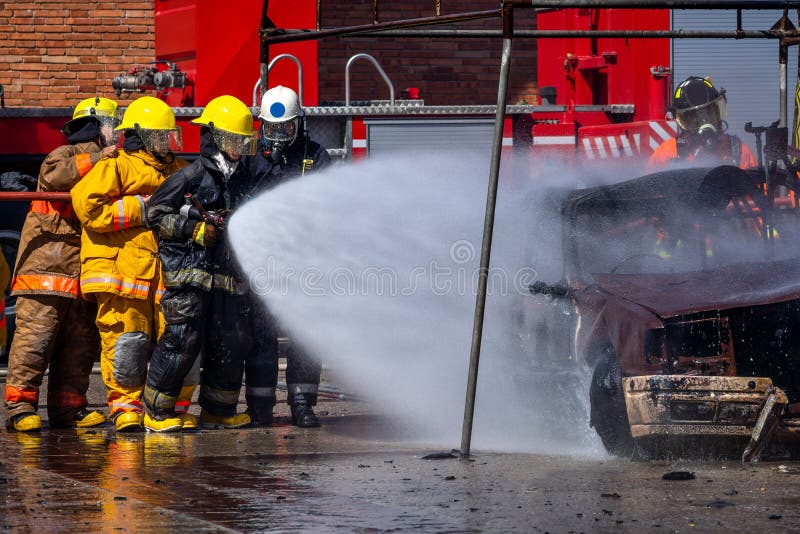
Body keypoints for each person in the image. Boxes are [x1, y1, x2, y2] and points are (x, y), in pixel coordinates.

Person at [71, 96, 193, 432]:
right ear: (141, 136)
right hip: (123, 274)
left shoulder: (181, 171)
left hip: (167, 275)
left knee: (179, 339)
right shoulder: (116, 166)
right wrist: (141, 208)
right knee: (128, 341)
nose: (167, 142)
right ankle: (125, 407)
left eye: (169, 135)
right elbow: (88, 207)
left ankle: (167, 407)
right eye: (159, 136)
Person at [141, 95, 260, 432]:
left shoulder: (242, 178)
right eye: (234, 140)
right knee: (182, 340)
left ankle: (218, 411)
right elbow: (154, 214)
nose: (239, 147)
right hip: (189, 277)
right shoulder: (190, 176)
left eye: (243, 141)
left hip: (227, 277)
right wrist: (194, 230)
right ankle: (156, 413)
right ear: (215, 137)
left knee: (230, 342)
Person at [3, 97, 119, 432]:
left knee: (79, 344)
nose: (116, 133)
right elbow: (56, 177)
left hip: (82, 272)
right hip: (46, 271)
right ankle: (20, 407)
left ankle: (70, 408)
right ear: (97, 126)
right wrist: (99, 157)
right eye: (111, 125)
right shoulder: (65, 155)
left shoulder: (109, 160)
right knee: (35, 340)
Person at [244, 85, 331, 428]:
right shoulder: (251, 157)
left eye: (286, 128)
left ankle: (302, 402)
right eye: (272, 129)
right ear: (261, 127)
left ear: (300, 124)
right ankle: (260, 406)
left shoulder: (315, 155)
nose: (279, 136)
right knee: (261, 336)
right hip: (262, 263)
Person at [648, 76, 758, 169]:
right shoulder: (667, 153)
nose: (705, 124)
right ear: (682, 121)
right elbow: (648, 192)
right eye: (695, 119)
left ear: (719, 112)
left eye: (709, 114)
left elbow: (759, 192)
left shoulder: (738, 152)